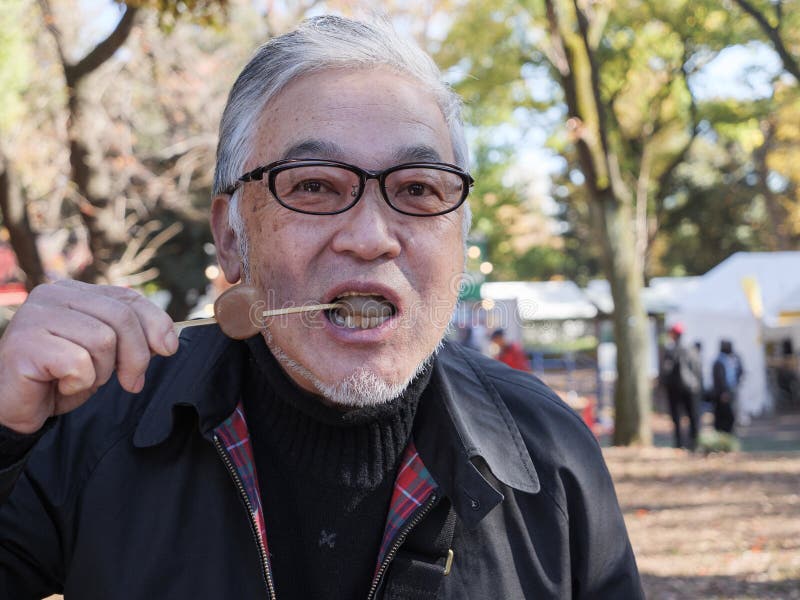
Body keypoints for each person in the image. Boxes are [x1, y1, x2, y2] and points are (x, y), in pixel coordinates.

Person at [0, 16, 642, 599]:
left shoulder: (549, 456)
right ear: (231, 237)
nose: (369, 237)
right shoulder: (97, 426)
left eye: (417, 189)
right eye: (312, 186)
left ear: (461, 236)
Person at [659, 323, 702, 450]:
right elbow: (698, 370)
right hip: (692, 389)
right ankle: (694, 442)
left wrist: (663, 384)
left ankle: (680, 443)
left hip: (675, 390)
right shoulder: (692, 350)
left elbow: (666, 371)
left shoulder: (671, 351)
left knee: (677, 417)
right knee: (693, 416)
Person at [712, 339, 744, 433]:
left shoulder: (731, 359)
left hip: (731, 390)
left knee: (731, 413)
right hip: (723, 392)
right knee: (724, 415)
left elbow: (739, 372)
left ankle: (729, 432)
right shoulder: (719, 361)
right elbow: (720, 378)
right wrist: (724, 392)